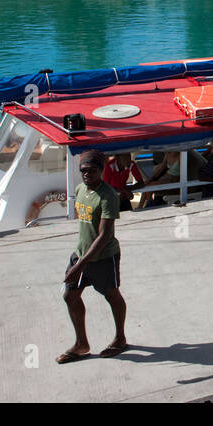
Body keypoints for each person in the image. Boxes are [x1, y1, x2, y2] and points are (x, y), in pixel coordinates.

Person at [58, 150, 128, 363]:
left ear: (101, 170)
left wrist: (80, 266)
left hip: (104, 258)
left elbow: (105, 234)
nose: (86, 174)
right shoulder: (80, 190)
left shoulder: (108, 196)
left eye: (91, 171)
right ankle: (81, 343)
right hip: (80, 255)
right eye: (83, 171)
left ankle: (120, 339)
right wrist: (79, 260)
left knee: (111, 295)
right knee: (70, 295)